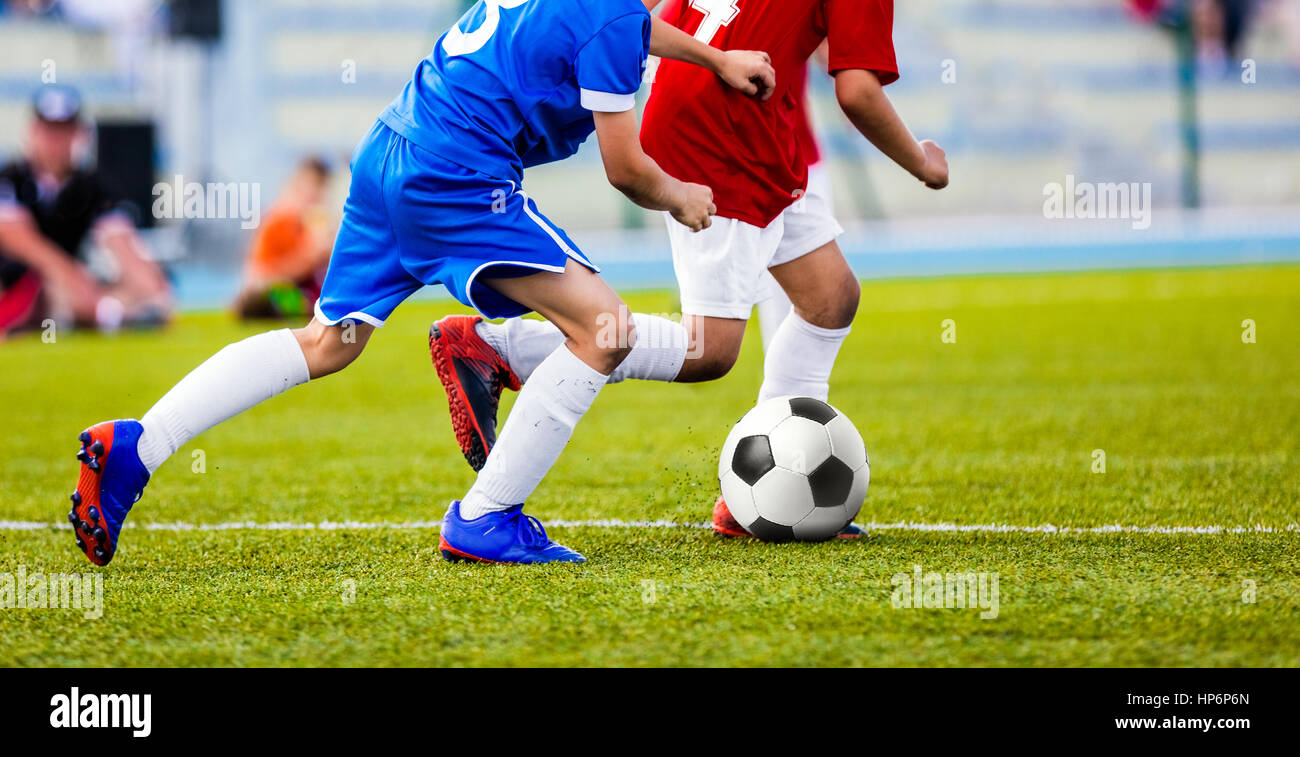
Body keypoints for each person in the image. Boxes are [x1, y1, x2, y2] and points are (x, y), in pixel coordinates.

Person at [66, 0, 775, 566]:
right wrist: (681, 195)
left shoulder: (605, 10)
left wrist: (714, 59)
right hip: (456, 175)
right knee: (604, 328)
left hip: (391, 150)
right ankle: (486, 515)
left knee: (328, 341)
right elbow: (626, 168)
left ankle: (139, 444)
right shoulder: (614, 17)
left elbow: (630, 24)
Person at [428, 0, 948, 539]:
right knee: (710, 350)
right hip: (725, 132)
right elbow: (858, 92)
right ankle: (502, 347)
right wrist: (923, 162)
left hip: (749, 116)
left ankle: (768, 494)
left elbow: (648, 10)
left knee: (831, 296)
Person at [0, 84, 172, 337]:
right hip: (20, 284)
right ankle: (110, 316)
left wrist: (150, 286)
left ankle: (110, 313)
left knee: (131, 283)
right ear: (33, 132)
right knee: (49, 285)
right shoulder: (10, 179)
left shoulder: (93, 186)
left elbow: (120, 239)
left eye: (64, 131)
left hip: (66, 288)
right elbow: (20, 241)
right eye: (50, 131)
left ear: (78, 134)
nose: (56, 142)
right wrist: (73, 280)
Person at [233, 156, 334, 320]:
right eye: (313, 187)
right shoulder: (282, 219)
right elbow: (260, 274)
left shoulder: (310, 221)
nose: (316, 195)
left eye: (320, 187)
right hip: (272, 287)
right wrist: (310, 256)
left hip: (295, 287)